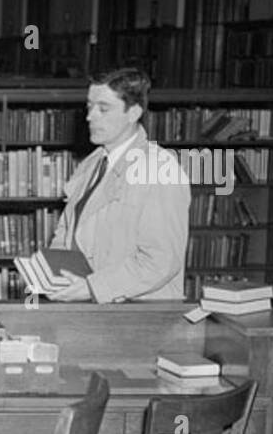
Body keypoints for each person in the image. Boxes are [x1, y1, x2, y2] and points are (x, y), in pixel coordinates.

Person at [48, 67, 190, 302]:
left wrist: (93, 288)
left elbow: (161, 261)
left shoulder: (159, 169)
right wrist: (53, 273)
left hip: (137, 314)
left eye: (103, 109)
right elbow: (66, 231)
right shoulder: (93, 162)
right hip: (90, 306)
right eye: (89, 106)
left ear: (133, 113)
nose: (90, 117)